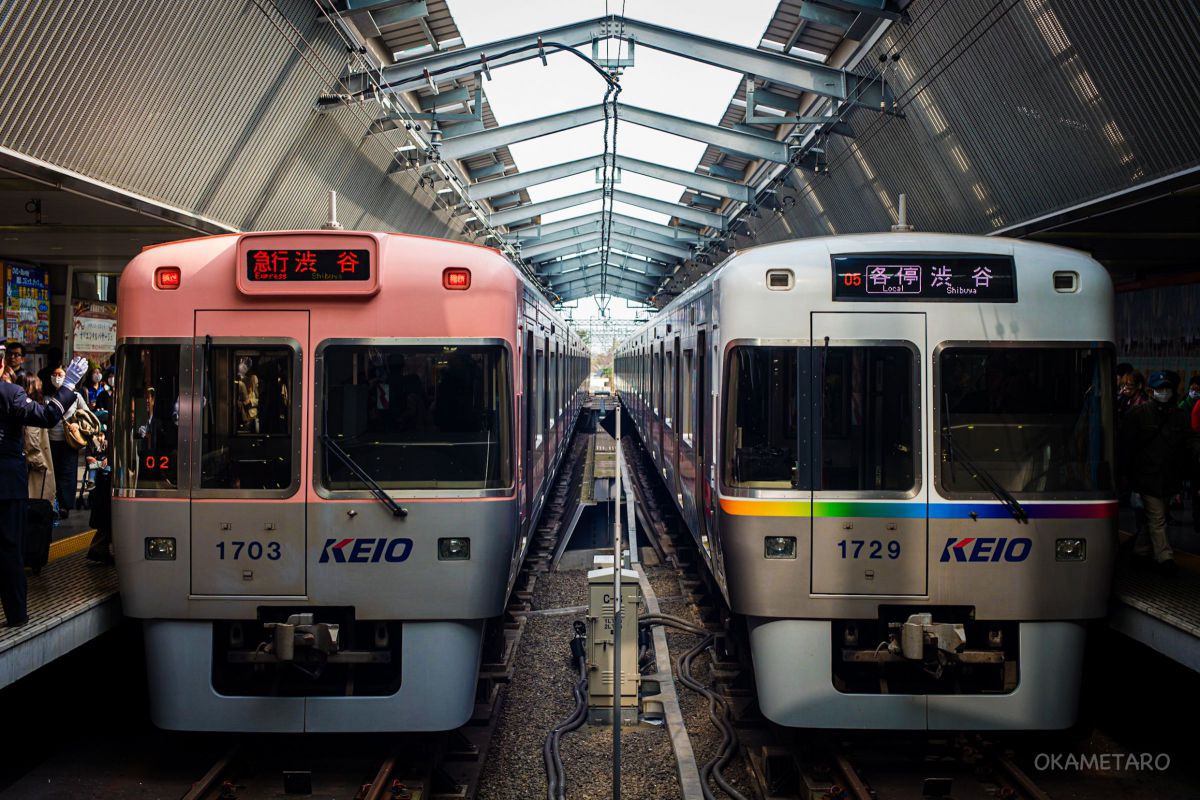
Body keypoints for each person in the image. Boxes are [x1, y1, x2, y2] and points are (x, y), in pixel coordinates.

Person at [0, 355, 88, 625]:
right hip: (7, 486)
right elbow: (48, 416)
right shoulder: (10, 393)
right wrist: (69, 384)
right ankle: (16, 615)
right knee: (9, 549)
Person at [1119, 371, 1200, 574]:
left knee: (1154, 516)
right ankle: (1165, 557)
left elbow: (1189, 441)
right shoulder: (1138, 415)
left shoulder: (1178, 416)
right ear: (1151, 391)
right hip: (1147, 476)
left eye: (1167, 389)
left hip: (1168, 477)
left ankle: (1140, 551)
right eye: (1160, 389)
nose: (1164, 393)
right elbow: (1127, 446)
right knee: (1158, 518)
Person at [21, 375, 56, 575]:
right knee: (37, 512)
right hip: (38, 472)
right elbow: (32, 441)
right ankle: (33, 554)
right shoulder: (34, 408)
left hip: (34, 468)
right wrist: (40, 464)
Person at [46, 366, 88, 519]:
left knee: (68, 473)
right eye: (54, 374)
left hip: (69, 440)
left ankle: (65, 505)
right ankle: (52, 503)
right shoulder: (47, 396)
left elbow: (86, 413)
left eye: (60, 374)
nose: (57, 377)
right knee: (53, 472)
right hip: (50, 439)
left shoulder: (76, 396)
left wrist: (77, 424)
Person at [85, 427, 112, 565]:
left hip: (103, 484)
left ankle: (98, 549)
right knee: (108, 521)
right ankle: (98, 549)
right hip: (106, 483)